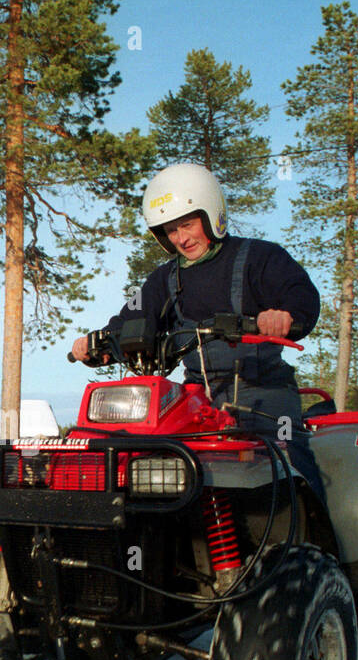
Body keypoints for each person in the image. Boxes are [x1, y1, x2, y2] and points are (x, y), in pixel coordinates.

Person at [71, 162, 325, 500]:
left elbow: (302, 297)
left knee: (288, 463)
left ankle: (319, 543)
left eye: (187, 225)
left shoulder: (261, 258)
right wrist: (96, 344)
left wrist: (284, 317)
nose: (181, 238)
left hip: (260, 389)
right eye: (171, 230)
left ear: (211, 215)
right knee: (150, 468)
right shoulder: (164, 278)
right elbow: (130, 321)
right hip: (194, 399)